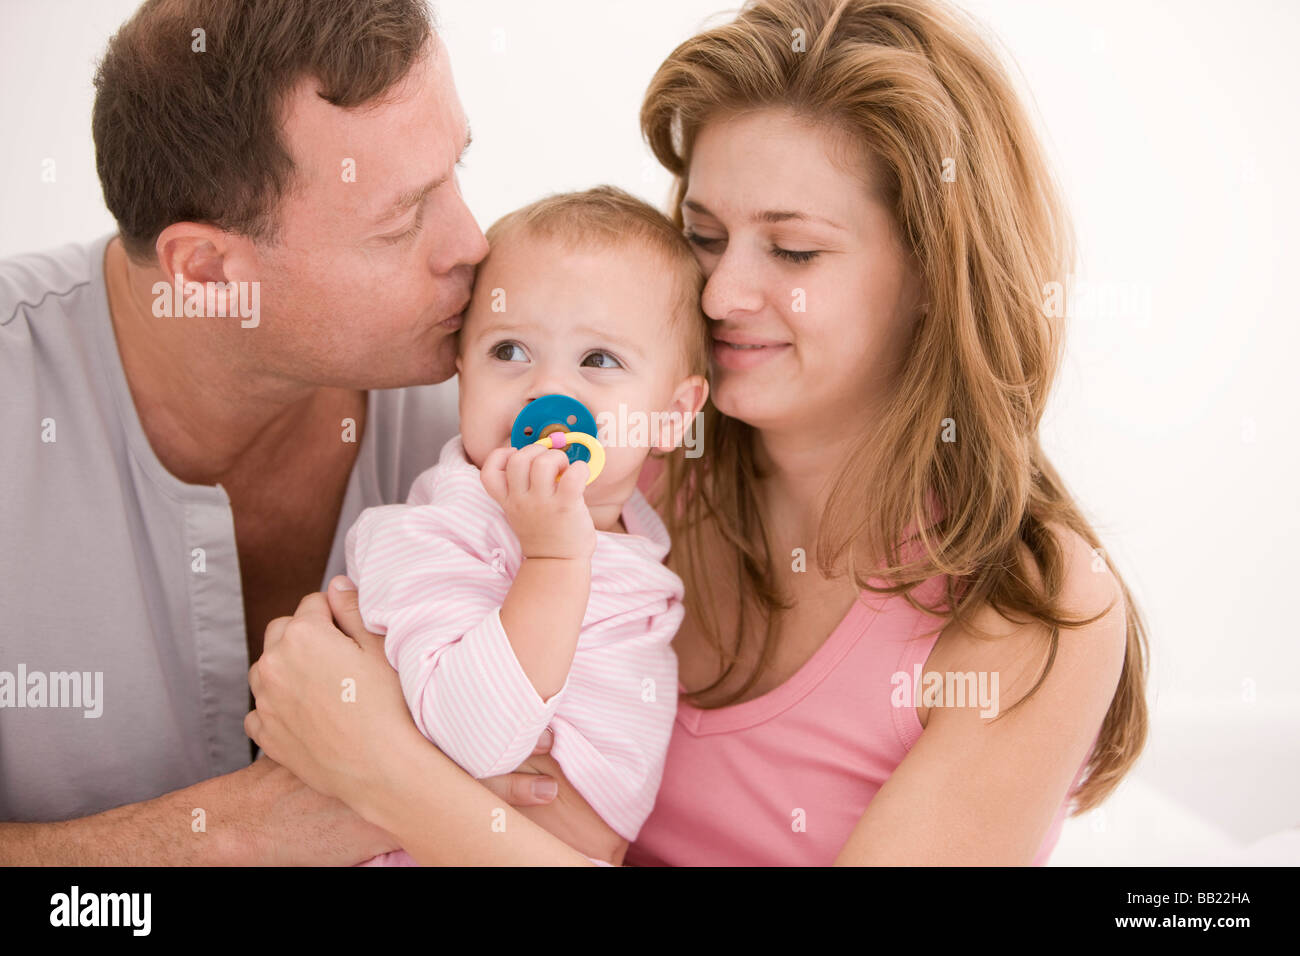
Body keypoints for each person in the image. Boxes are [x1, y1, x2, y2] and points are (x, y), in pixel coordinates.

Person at [247, 0, 1150, 866]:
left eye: (793, 251)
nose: (720, 297)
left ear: (934, 274)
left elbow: (390, 753)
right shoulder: (616, 475)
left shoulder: (1037, 611)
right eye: (705, 236)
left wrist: (384, 774)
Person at [0, 0, 511, 865]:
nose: (474, 242)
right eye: (401, 222)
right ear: (206, 273)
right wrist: (230, 837)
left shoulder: (505, 403)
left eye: (456, 170)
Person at [351, 188, 708, 867]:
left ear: (672, 413)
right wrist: (551, 563)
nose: (548, 392)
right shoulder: (432, 536)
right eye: (509, 350)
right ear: (461, 376)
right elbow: (473, 737)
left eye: (599, 360)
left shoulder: (640, 547)